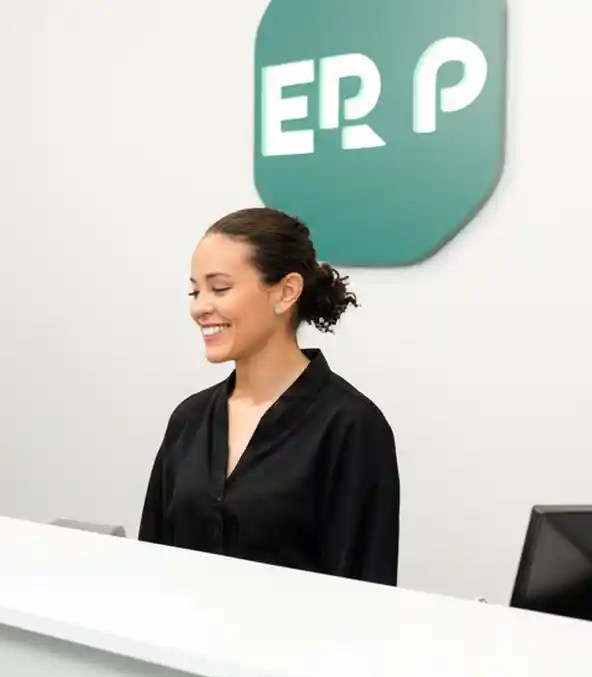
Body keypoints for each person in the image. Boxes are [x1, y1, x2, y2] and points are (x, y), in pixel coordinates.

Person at [138, 207, 400, 585]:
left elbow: (363, 588)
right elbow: (152, 563)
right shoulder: (189, 419)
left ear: (285, 292)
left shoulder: (351, 426)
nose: (199, 307)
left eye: (220, 288)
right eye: (195, 291)